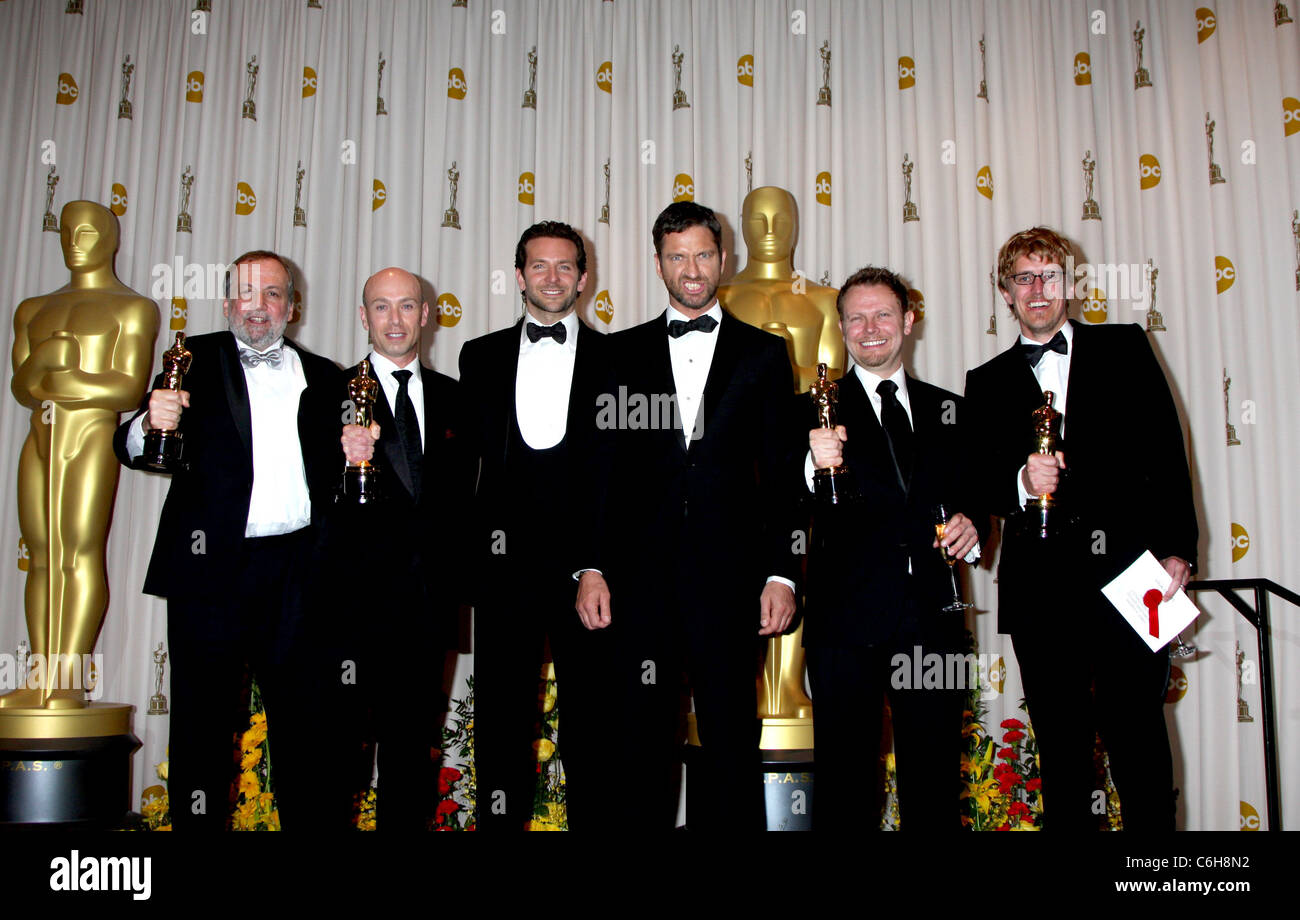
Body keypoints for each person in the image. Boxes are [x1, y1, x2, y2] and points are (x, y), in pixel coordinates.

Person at [963, 227, 1198, 830]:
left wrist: (1177, 549)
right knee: (1063, 755)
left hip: (1130, 580)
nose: (1038, 289)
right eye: (1024, 277)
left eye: (1049, 275)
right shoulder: (983, 382)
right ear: (1005, 291)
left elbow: (1167, 454)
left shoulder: (1125, 347)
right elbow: (979, 483)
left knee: (1140, 746)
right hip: (1042, 594)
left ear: (1070, 283)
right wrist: (1020, 480)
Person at [577, 201, 801, 830]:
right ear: (658, 264)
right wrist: (591, 567)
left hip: (731, 581)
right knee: (641, 740)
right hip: (638, 582)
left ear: (723, 259)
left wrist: (782, 573)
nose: (692, 268)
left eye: (703, 254)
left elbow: (783, 475)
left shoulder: (763, 355)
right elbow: (601, 474)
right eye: (677, 257)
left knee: (731, 739)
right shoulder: (618, 355)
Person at [113, 250, 342, 830]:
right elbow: (131, 446)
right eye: (247, 291)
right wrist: (149, 422)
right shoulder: (191, 359)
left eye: (273, 294)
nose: (259, 306)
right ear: (226, 301)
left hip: (299, 572)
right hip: (210, 569)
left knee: (307, 727)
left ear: (293, 306)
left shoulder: (329, 377)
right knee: (201, 726)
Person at [803, 266, 984, 831]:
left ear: (909, 320)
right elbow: (784, 502)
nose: (870, 328)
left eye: (883, 314)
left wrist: (974, 526)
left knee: (933, 786)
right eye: (855, 317)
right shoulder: (810, 410)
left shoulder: (951, 410)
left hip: (933, 618)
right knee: (845, 786)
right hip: (844, 625)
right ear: (841, 328)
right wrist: (815, 464)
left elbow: (973, 498)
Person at [458, 221, 614, 831]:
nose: (553, 278)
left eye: (565, 266)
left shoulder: (616, 358)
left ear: (583, 276)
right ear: (519, 276)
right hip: (502, 572)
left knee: (593, 725)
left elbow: (621, 482)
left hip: (589, 573)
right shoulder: (480, 355)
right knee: (500, 721)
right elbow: (462, 470)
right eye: (540, 267)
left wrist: (599, 563)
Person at [335, 267, 471, 830]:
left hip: (428, 605)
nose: (395, 319)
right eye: (382, 307)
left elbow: (470, 498)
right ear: (363, 317)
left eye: (407, 306)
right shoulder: (328, 394)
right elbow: (308, 503)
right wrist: (341, 461)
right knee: (341, 757)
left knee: (412, 755)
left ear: (427, 314)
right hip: (347, 610)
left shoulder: (458, 400)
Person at [7, 201, 157, 708]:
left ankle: (68, 675)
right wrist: (45, 364)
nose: (74, 239)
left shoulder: (132, 308)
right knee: (45, 555)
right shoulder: (31, 308)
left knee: (79, 551)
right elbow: (22, 387)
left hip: (91, 436)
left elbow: (128, 390)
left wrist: (61, 373)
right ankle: (40, 673)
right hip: (41, 437)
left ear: (111, 238)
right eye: (67, 230)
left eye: (88, 230)